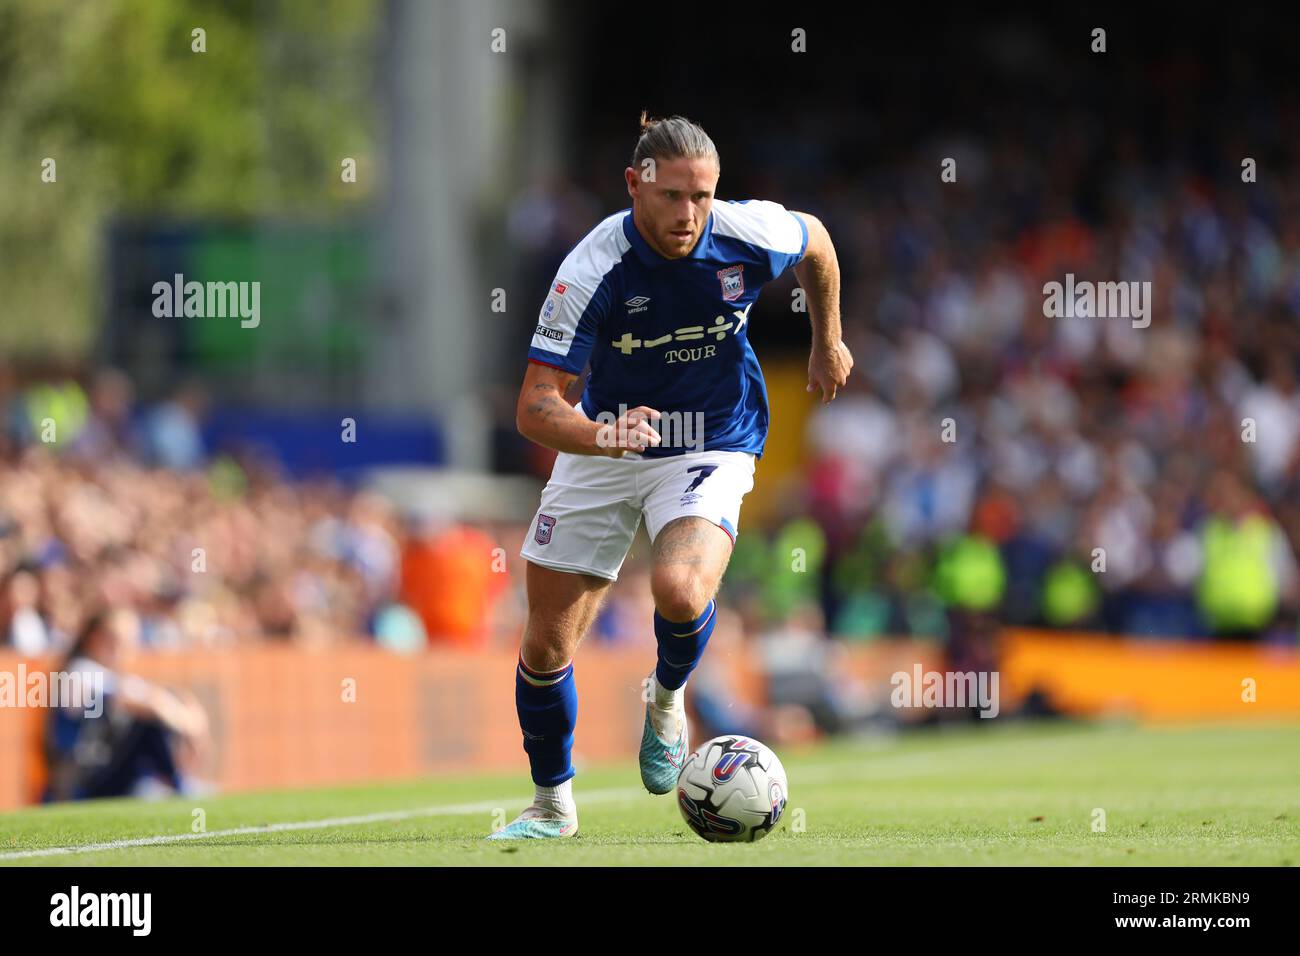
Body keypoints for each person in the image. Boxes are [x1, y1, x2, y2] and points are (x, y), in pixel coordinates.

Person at [489, 112, 851, 838]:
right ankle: (552, 807)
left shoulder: (744, 233)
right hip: (606, 439)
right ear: (634, 186)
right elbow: (532, 407)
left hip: (710, 437)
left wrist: (827, 339)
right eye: (671, 196)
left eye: (702, 196)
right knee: (545, 644)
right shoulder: (592, 268)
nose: (688, 213)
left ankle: (666, 693)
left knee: (680, 588)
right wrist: (600, 434)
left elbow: (816, 238)